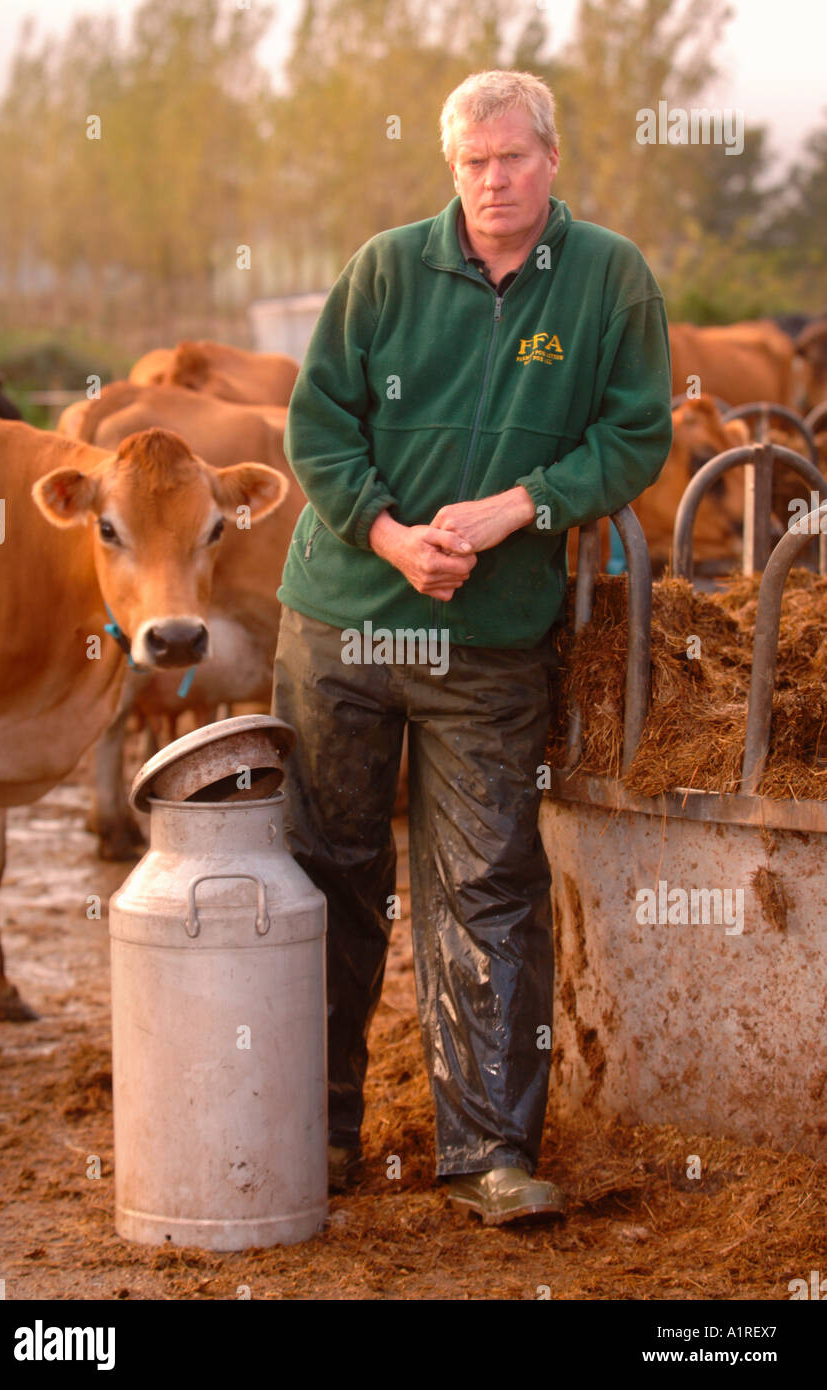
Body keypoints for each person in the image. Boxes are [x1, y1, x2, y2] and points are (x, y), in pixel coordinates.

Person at [271, 69, 672, 1224]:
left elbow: (634, 433)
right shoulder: (387, 267)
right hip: (344, 614)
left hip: (490, 638)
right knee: (324, 870)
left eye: (512, 158)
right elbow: (318, 422)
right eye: (471, 163)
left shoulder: (606, 280)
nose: (492, 181)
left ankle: (490, 1150)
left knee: (487, 879)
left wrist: (520, 509)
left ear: (551, 158)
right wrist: (392, 536)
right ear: (450, 168)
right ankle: (316, 1128)